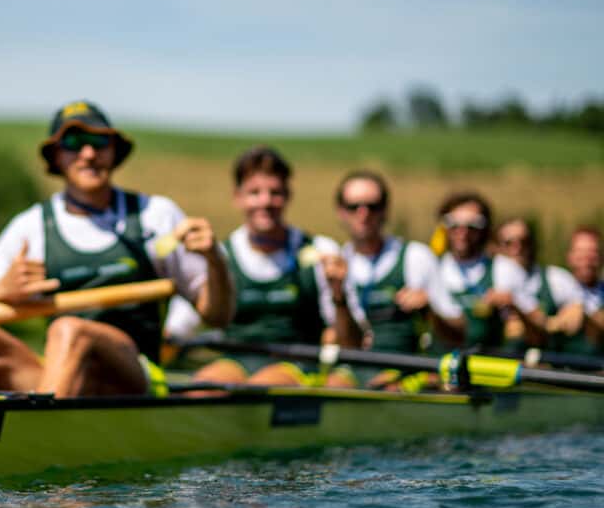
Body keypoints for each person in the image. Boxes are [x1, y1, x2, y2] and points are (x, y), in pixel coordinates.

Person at [0, 100, 234, 397]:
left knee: (70, 330)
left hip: (136, 376)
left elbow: (218, 316)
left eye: (99, 142)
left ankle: (46, 436)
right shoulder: (31, 227)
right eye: (74, 142)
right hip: (65, 373)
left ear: (114, 151)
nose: (88, 153)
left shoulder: (154, 215)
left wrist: (214, 262)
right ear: (56, 157)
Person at [170, 146, 354, 387]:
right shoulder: (221, 255)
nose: (265, 202)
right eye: (255, 192)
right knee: (202, 388)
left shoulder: (321, 250)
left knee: (259, 388)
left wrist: (339, 295)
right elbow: (182, 325)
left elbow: (351, 343)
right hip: (235, 360)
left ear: (288, 196)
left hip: (299, 364)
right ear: (238, 197)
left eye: (275, 192)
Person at [333, 171, 464, 389]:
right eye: (353, 206)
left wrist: (429, 310)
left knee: (383, 386)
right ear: (341, 212)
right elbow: (343, 343)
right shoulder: (335, 263)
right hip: (354, 367)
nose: (363, 214)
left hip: (407, 366)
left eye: (372, 206)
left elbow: (458, 334)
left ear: (385, 211)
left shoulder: (417, 257)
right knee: (332, 385)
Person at [434, 192, 534, 353]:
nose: (463, 232)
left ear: (485, 229)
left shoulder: (505, 270)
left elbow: (537, 335)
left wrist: (515, 307)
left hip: (486, 369)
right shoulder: (430, 268)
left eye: (472, 225)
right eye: (454, 224)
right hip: (436, 369)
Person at [493, 217, 584, 351]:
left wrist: (540, 323)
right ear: (497, 247)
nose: (517, 248)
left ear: (533, 243)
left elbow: (574, 321)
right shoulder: (485, 277)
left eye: (524, 241)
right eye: (509, 243)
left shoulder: (556, 277)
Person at [560, 226, 604, 354]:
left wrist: (585, 315)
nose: (586, 259)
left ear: (601, 257)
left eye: (592, 252)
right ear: (569, 256)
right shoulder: (555, 287)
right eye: (580, 252)